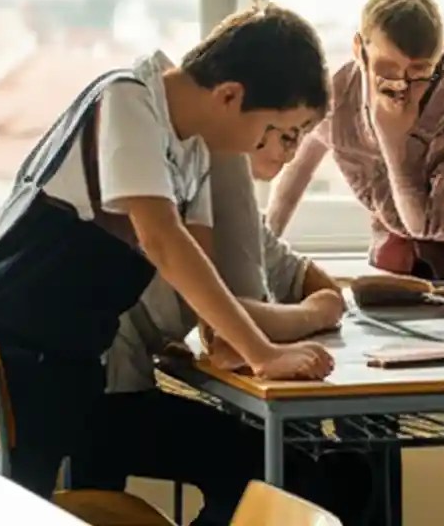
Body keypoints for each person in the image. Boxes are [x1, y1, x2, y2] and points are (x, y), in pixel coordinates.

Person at [0, 2, 340, 525]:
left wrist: (237, 340)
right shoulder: (127, 98)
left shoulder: (195, 153)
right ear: (230, 96)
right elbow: (161, 239)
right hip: (20, 358)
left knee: (262, 465)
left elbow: (195, 273)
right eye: (279, 129)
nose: (278, 149)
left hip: (76, 374)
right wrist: (264, 351)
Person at [70, 146, 371, 523]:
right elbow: (224, 337)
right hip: (103, 402)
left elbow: (304, 279)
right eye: (281, 133)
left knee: (329, 466)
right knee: (292, 469)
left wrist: (320, 304)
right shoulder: (196, 188)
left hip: (86, 393)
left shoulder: (227, 208)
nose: (288, 151)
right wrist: (311, 314)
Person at [267, 0, 444, 280]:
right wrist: (266, 246)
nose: (401, 86)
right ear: (359, 50)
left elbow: (424, 228)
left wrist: (393, 142)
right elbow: (299, 166)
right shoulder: (339, 97)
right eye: (386, 69)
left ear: (440, 58)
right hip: (389, 262)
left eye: (418, 72)